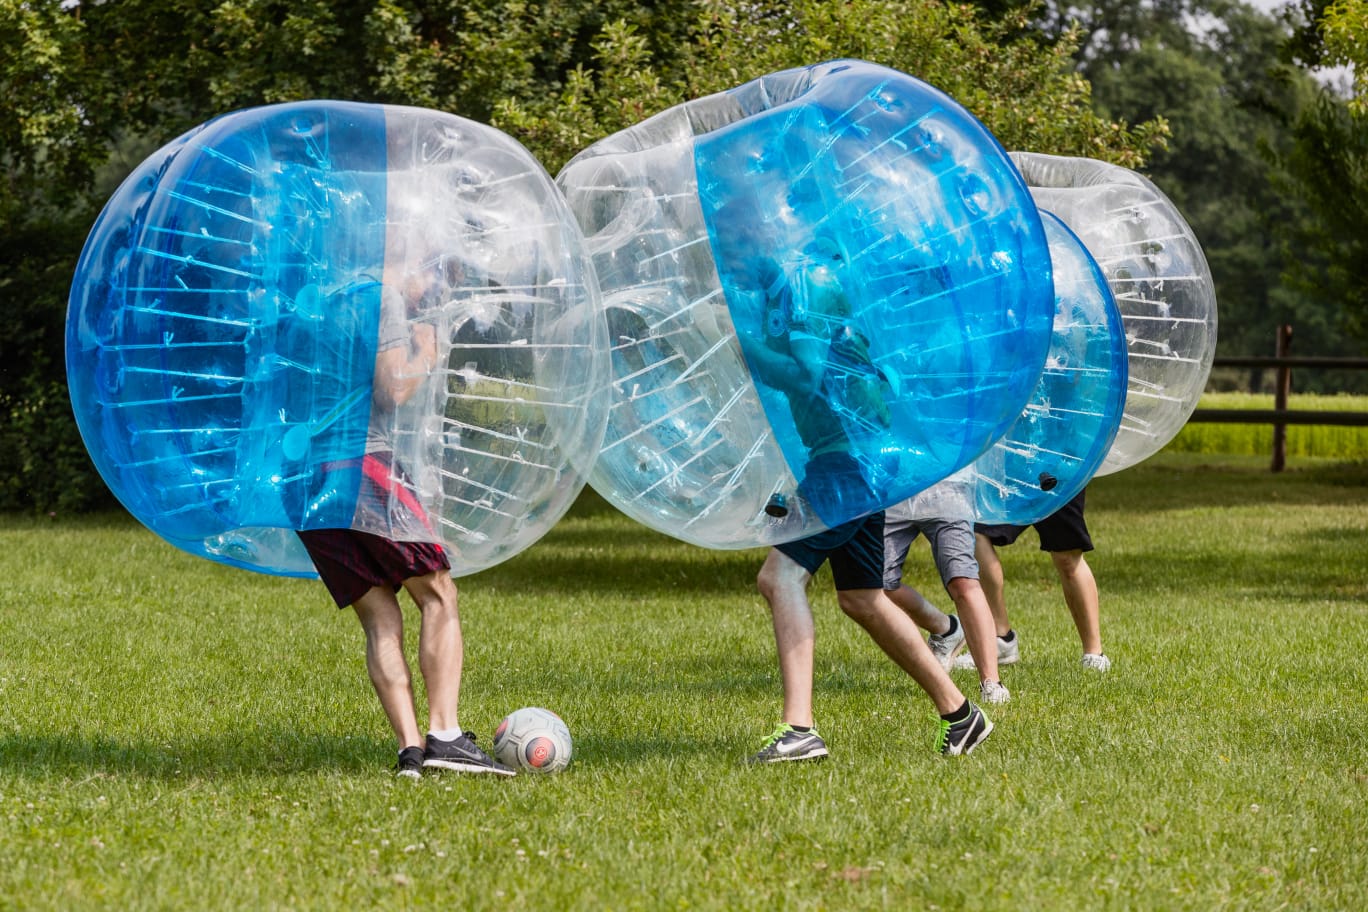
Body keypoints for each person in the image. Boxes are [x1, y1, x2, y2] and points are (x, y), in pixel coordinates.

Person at [738, 235, 992, 763]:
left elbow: (805, 377)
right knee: (864, 598)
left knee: (778, 578)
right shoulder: (788, 287)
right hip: (862, 457)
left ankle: (800, 729)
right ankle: (961, 714)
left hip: (848, 461)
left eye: (737, 242)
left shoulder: (804, 286)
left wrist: (740, 344)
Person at [295, 255, 514, 779]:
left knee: (380, 615)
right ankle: (445, 735)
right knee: (437, 592)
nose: (431, 296)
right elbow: (391, 388)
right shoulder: (382, 297)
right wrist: (426, 353)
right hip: (362, 466)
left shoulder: (324, 293)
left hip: (304, 479)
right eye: (437, 282)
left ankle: (410, 753)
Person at [881, 472, 1010, 704]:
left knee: (963, 580)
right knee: (875, 585)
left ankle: (992, 682)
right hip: (894, 486)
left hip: (950, 483)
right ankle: (946, 629)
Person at [956, 488, 1111, 673]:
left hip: (1061, 470)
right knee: (976, 532)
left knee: (1067, 557)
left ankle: (1094, 654)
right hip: (1016, 468)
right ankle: (1001, 639)